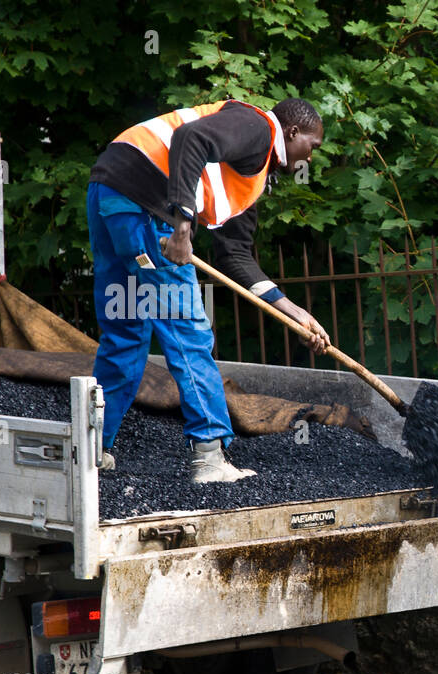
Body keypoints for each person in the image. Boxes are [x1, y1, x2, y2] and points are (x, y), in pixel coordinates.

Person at [87, 97, 331, 483]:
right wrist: (182, 226)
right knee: (188, 332)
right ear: (293, 132)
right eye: (312, 147)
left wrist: (292, 310)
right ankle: (209, 455)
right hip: (146, 207)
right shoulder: (257, 128)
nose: (310, 159)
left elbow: (234, 254)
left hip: (111, 194)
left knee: (126, 330)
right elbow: (191, 137)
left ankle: (90, 449)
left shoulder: (251, 174)